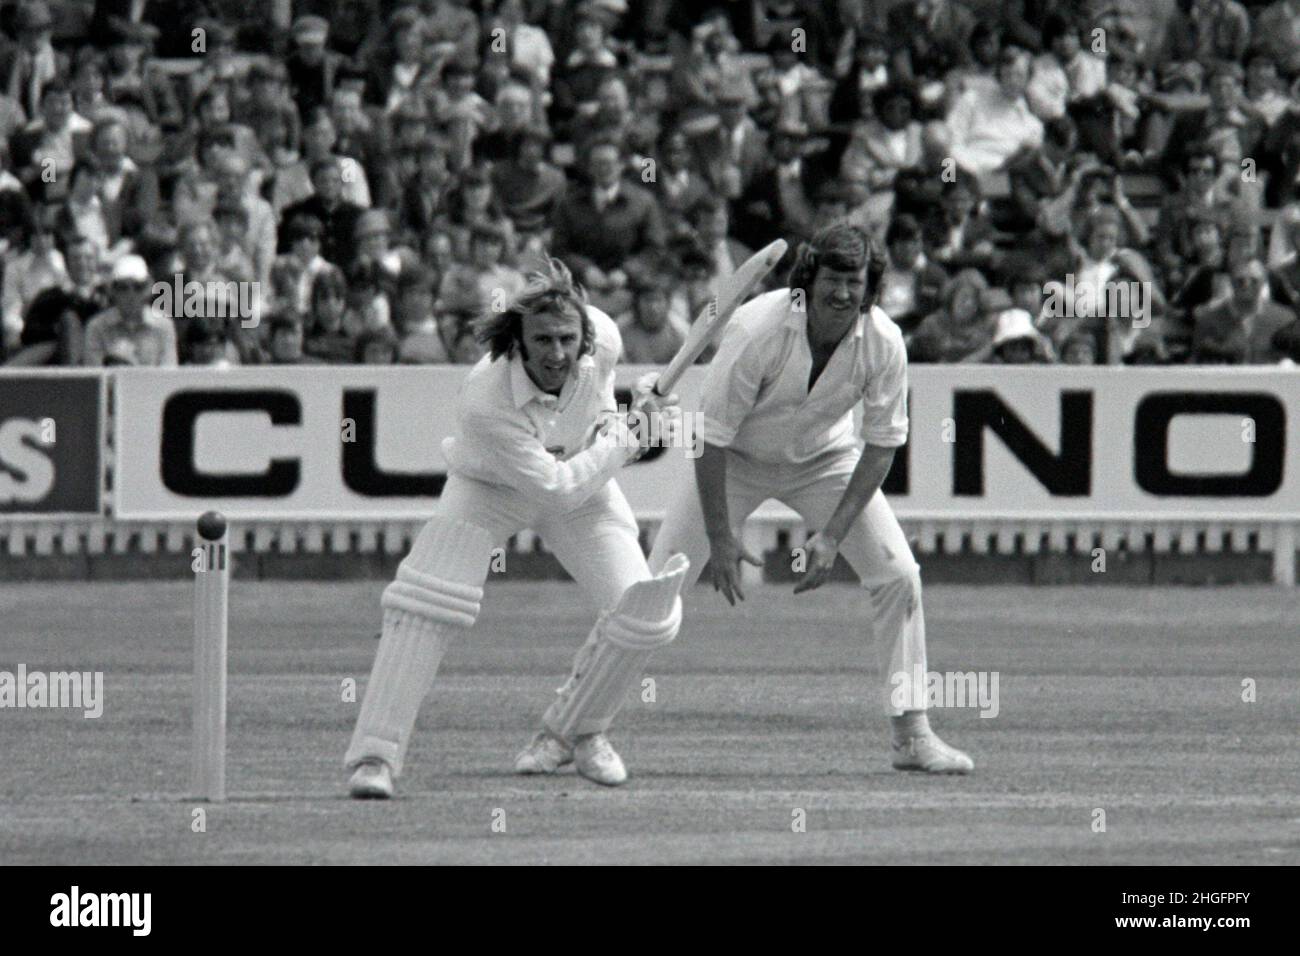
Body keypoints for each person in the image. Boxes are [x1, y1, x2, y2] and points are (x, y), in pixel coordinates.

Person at [344, 256, 683, 798]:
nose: (556, 353)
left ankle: (574, 731)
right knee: (422, 606)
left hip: (579, 478)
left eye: (566, 339)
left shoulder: (606, 340)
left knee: (647, 611)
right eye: (542, 340)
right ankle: (374, 760)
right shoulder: (486, 396)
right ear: (518, 340)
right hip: (489, 489)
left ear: (584, 335)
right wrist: (627, 437)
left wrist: (630, 414)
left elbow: (594, 420)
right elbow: (553, 487)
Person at [647, 221, 973, 774]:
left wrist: (833, 535)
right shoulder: (757, 329)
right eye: (833, 280)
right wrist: (720, 537)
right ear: (808, 279)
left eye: (856, 282)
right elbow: (710, 436)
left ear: (870, 288)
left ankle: (912, 735)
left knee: (898, 576)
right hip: (736, 462)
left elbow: (881, 445)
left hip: (824, 461)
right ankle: (576, 725)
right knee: (651, 591)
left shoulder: (885, 342)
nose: (844, 294)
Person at [82, 254, 177, 366]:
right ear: (112, 291)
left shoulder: (163, 326)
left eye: (138, 287)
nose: (130, 294)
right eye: (123, 288)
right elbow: (95, 375)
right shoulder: (96, 327)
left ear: (147, 290)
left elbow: (169, 374)